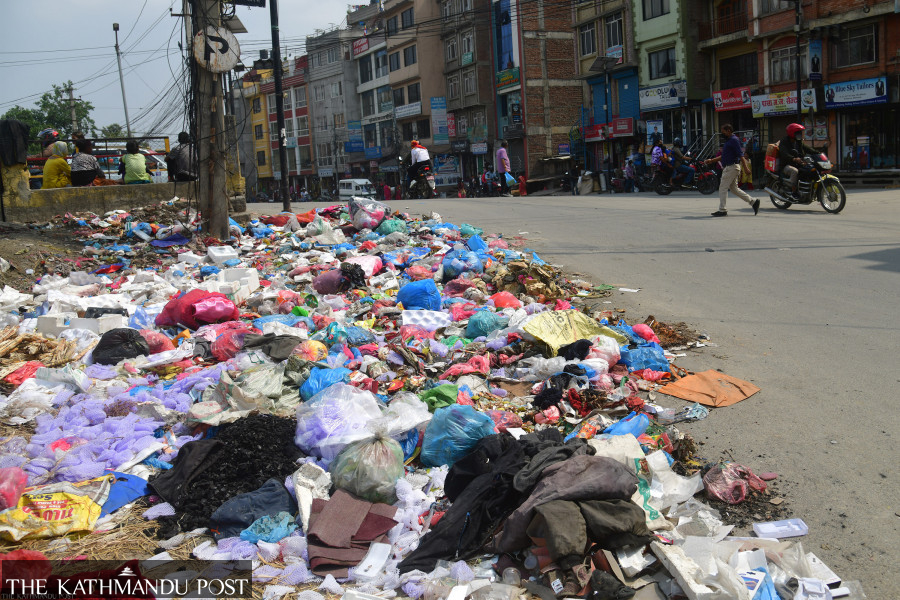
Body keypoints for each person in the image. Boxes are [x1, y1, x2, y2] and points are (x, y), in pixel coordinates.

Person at [704, 123, 758, 217]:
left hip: (731, 167)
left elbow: (741, 155)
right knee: (734, 189)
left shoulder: (734, 140)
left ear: (728, 130)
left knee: (722, 187)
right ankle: (753, 202)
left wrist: (746, 168)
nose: (722, 134)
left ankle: (722, 209)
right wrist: (712, 160)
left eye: (723, 132)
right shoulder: (729, 141)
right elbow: (723, 156)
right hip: (730, 167)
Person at [778, 123, 818, 200]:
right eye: (798, 133)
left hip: (797, 163)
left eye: (800, 132)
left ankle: (806, 189)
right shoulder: (784, 142)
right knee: (795, 171)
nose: (800, 134)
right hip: (786, 165)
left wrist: (818, 153)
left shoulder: (798, 141)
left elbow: (807, 149)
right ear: (792, 133)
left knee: (809, 169)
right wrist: (794, 159)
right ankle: (793, 192)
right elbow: (784, 154)